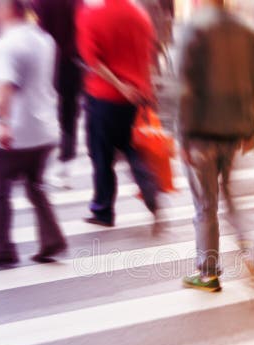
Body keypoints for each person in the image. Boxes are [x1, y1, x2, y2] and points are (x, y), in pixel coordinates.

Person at [176, 0, 254, 292]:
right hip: (233, 130)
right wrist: (250, 127)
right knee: (227, 195)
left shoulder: (195, 28)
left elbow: (186, 86)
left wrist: (183, 135)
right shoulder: (248, 29)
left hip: (202, 132)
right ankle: (249, 250)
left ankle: (208, 273)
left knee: (205, 205)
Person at [0, 0, 66, 267]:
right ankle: (51, 239)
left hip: (17, 131)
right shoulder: (43, 38)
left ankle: (2, 248)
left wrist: (2, 122)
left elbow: (5, 88)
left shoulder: (2, 46)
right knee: (35, 186)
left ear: (7, 11)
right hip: (45, 128)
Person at [76, 0, 160, 228]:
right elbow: (148, 55)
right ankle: (149, 185)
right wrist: (145, 89)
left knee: (101, 155)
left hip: (104, 96)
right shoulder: (139, 14)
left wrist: (119, 84)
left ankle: (103, 209)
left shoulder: (91, 14)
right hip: (135, 97)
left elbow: (92, 60)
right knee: (129, 145)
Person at [31, 0, 83, 189]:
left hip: (48, 62)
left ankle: (41, 165)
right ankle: (66, 164)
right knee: (69, 114)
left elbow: (39, 27)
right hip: (71, 63)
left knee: (44, 111)